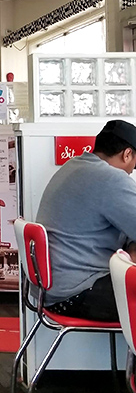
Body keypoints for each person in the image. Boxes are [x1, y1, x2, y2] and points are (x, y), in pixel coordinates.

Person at [36, 119, 136, 321]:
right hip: (77, 292)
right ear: (127, 154)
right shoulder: (110, 178)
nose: (132, 171)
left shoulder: (74, 166)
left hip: (52, 288)